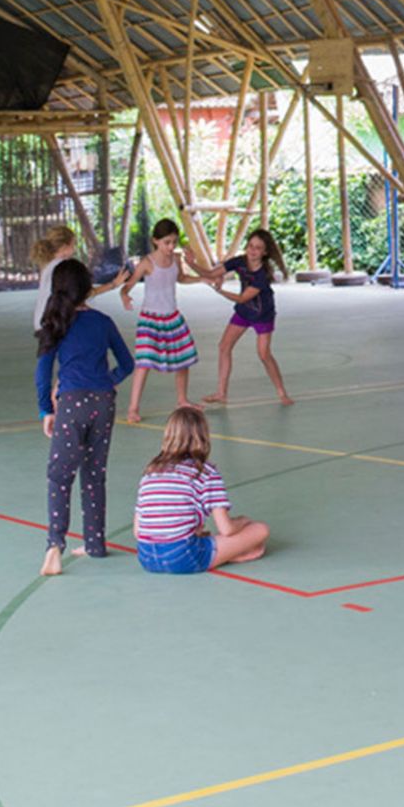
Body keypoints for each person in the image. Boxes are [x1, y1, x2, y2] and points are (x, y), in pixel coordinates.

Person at [35, 258, 135, 577]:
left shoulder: (56, 323)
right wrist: (107, 381)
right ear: (87, 289)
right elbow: (127, 364)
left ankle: (55, 545)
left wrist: (46, 409)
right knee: (94, 474)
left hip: (72, 403)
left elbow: (42, 374)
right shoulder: (103, 322)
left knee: (60, 475)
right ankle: (94, 543)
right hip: (104, 403)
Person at [132, 406, 270, 575]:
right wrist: (243, 521)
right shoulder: (206, 472)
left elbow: (138, 531)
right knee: (260, 530)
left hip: (146, 557)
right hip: (182, 556)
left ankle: (221, 553)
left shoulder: (151, 471)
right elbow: (226, 529)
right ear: (203, 436)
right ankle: (229, 556)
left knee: (202, 535)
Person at [119, 218, 205, 422]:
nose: (171, 246)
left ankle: (182, 399)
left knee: (183, 359)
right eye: (167, 242)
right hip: (151, 319)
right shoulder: (147, 263)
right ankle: (133, 408)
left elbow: (181, 278)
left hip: (172, 316)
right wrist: (124, 295)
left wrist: (203, 278)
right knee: (144, 363)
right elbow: (127, 286)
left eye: (174, 242)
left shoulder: (175, 260)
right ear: (155, 241)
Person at [204, 229, 292, 406]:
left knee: (264, 354)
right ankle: (221, 393)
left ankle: (282, 393)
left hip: (262, 314)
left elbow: (242, 297)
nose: (252, 251)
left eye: (258, 248)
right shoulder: (240, 262)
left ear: (265, 252)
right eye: (251, 246)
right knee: (224, 346)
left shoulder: (263, 275)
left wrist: (220, 291)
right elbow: (213, 273)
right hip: (244, 311)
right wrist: (192, 263)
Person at [30, 225, 118, 335]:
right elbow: (85, 293)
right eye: (73, 245)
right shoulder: (63, 267)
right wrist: (114, 284)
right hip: (53, 323)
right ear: (65, 247)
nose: (74, 249)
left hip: (43, 321)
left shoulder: (49, 265)